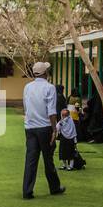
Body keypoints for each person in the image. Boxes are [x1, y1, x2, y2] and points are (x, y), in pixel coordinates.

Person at [22, 62, 64, 199]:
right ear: (46, 72)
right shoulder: (49, 87)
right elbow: (52, 112)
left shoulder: (27, 87)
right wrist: (54, 130)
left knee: (31, 160)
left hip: (30, 128)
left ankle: (27, 191)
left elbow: (26, 108)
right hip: (45, 127)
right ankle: (54, 187)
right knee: (48, 159)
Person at [57, 105, 85, 171]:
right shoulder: (62, 121)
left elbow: (73, 132)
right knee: (63, 153)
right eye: (63, 115)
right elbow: (57, 127)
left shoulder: (70, 121)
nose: (63, 116)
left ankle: (71, 166)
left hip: (70, 140)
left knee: (71, 153)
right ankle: (64, 165)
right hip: (64, 138)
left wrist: (75, 141)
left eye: (64, 115)